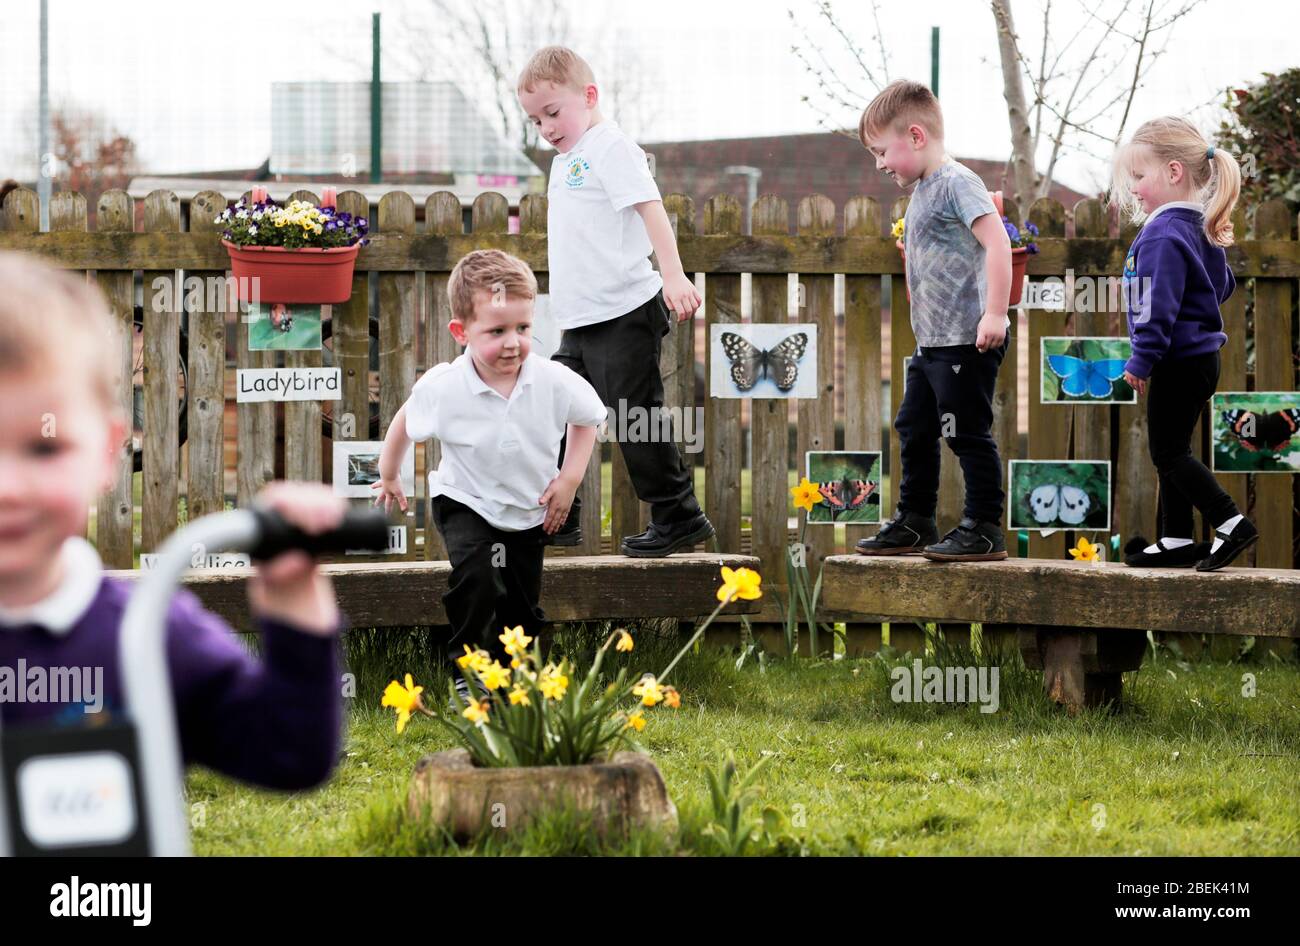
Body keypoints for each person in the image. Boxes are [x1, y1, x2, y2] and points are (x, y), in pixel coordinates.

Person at [0, 250, 347, 790]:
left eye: (43, 450)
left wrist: (293, 600)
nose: (8, 487)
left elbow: (288, 751)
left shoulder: (144, 634)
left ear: (106, 453)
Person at [370, 250, 605, 701]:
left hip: (527, 506)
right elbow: (404, 419)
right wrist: (390, 473)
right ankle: (469, 667)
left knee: (520, 599)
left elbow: (588, 419)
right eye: (497, 331)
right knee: (477, 577)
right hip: (465, 499)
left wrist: (569, 479)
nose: (513, 342)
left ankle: (517, 673)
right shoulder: (445, 386)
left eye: (523, 328)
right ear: (461, 332)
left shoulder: (552, 379)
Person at [516, 45, 714, 557]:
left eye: (553, 113)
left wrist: (673, 276)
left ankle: (678, 515)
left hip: (624, 309)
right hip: (580, 318)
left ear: (589, 96)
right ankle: (561, 516)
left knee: (633, 415)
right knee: (556, 410)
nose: (546, 127)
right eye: (536, 120)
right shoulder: (565, 161)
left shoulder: (610, 147)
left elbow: (652, 211)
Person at [855, 80, 1013, 561]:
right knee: (914, 426)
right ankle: (915, 519)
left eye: (883, 151)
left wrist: (995, 313)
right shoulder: (924, 188)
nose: (880, 164)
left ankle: (984, 526)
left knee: (965, 430)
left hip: (968, 337)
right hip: (933, 342)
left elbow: (999, 244)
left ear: (917, 136)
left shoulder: (957, 182)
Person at [1112, 117, 1256, 571]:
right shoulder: (1200, 227)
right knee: (1174, 448)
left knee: (1168, 452)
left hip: (1175, 361)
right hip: (1201, 360)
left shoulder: (1162, 233)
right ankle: (1176, 538)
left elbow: (1156, 307)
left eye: (1139, 176)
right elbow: (1223, 287)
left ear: (1174, 172)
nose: (1133, 188)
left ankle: (1230, 523)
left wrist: (1142, 357)